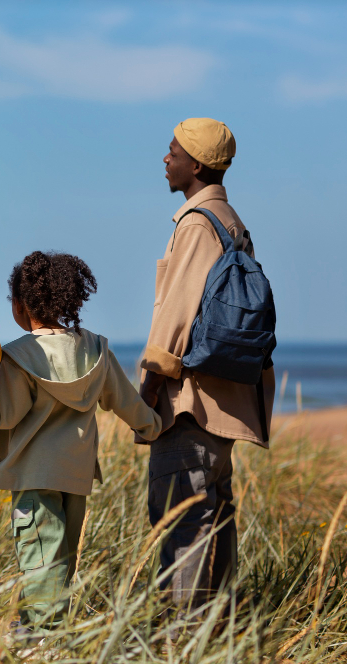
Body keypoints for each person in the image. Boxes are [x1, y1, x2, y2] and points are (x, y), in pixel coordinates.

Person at [0, 251, 161, 641]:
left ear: (20, 305)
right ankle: (40, 632)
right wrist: (152, 427)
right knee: (61, 562)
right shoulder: (95, 349)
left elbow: (3, 415)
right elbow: (126, 401)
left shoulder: (18, 357)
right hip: (76, 476)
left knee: (40, 559)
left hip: (34, 474)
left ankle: (43, 641)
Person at [138, 118, 275, 611]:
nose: (165, 159)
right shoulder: (231, 221)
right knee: (215, 521)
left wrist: (148, 392)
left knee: (181, 524)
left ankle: (182, 638)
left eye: (173, 152)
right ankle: (218, 630)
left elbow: (175, 316)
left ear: (196, 165)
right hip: (224, 405)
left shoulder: (197, 223)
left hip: (189, 406)